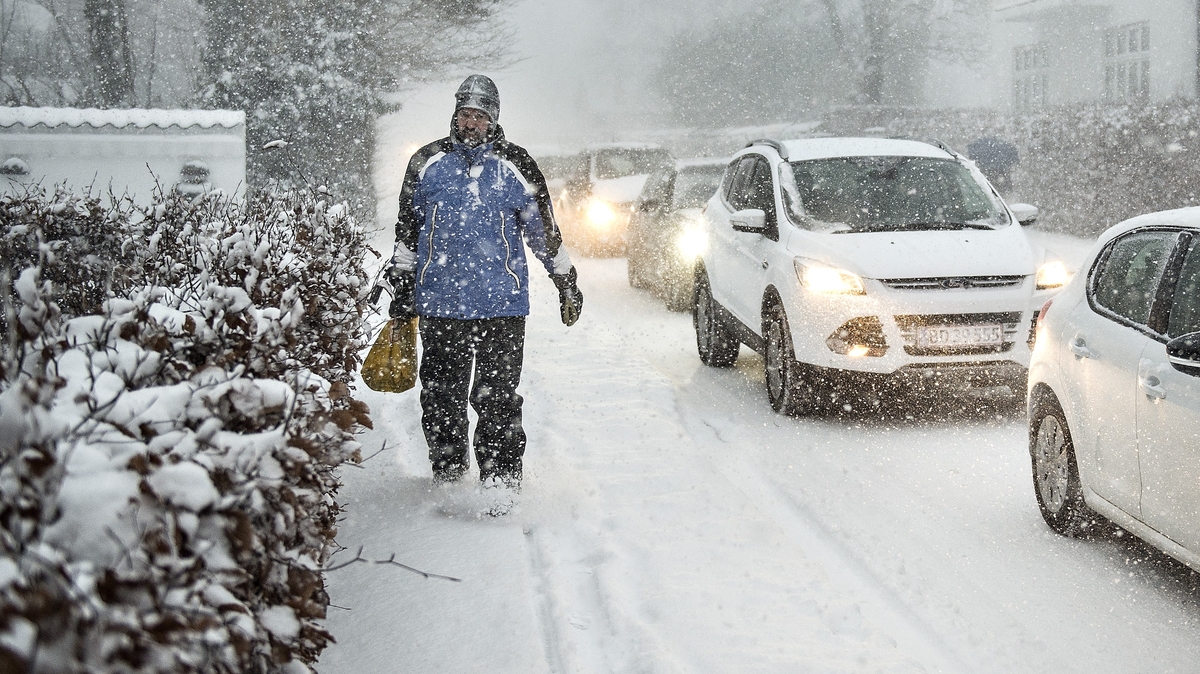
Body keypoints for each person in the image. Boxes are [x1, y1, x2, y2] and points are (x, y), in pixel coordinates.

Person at [386, 74, 583, 491]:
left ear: (493, 120)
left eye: (479, 116)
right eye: (464, 114)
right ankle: (450, 477)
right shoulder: (427, 162)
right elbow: (407, 230)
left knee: (498, 400)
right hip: (440, 305)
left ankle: (500, 482)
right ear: (454, 116)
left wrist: (565, 280)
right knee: (441, 399)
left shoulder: (516, 163)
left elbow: (543, 232)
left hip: (501, 307)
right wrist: (402, 285)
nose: (470, 123)